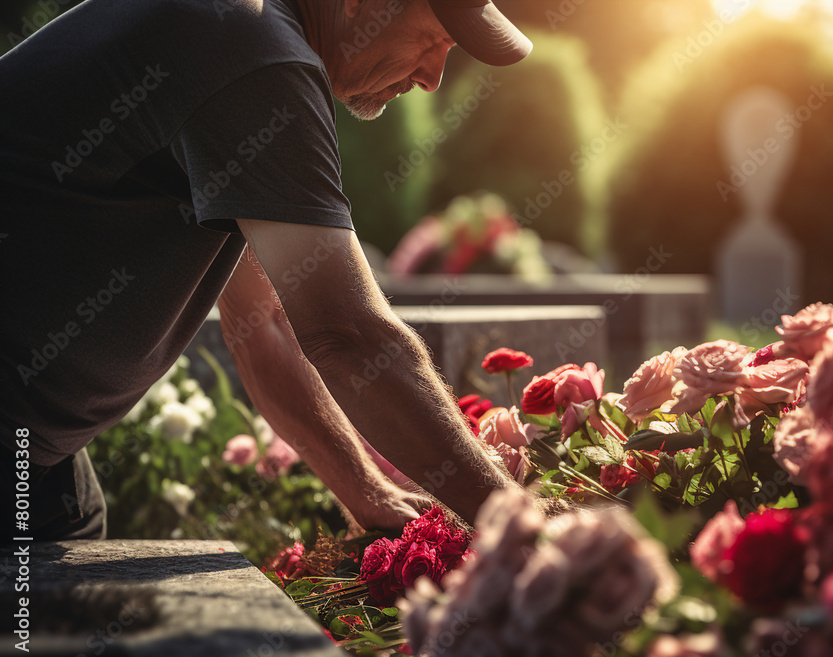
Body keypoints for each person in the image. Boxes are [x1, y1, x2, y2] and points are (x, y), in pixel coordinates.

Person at [0, 0, 533, 540]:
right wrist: (524, 527)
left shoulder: (238, 30)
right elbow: (349, 334)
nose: (433, 79)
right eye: (432, 40)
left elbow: (263, 324)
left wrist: (369, 495)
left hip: (38, 452)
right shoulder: (254, 52)